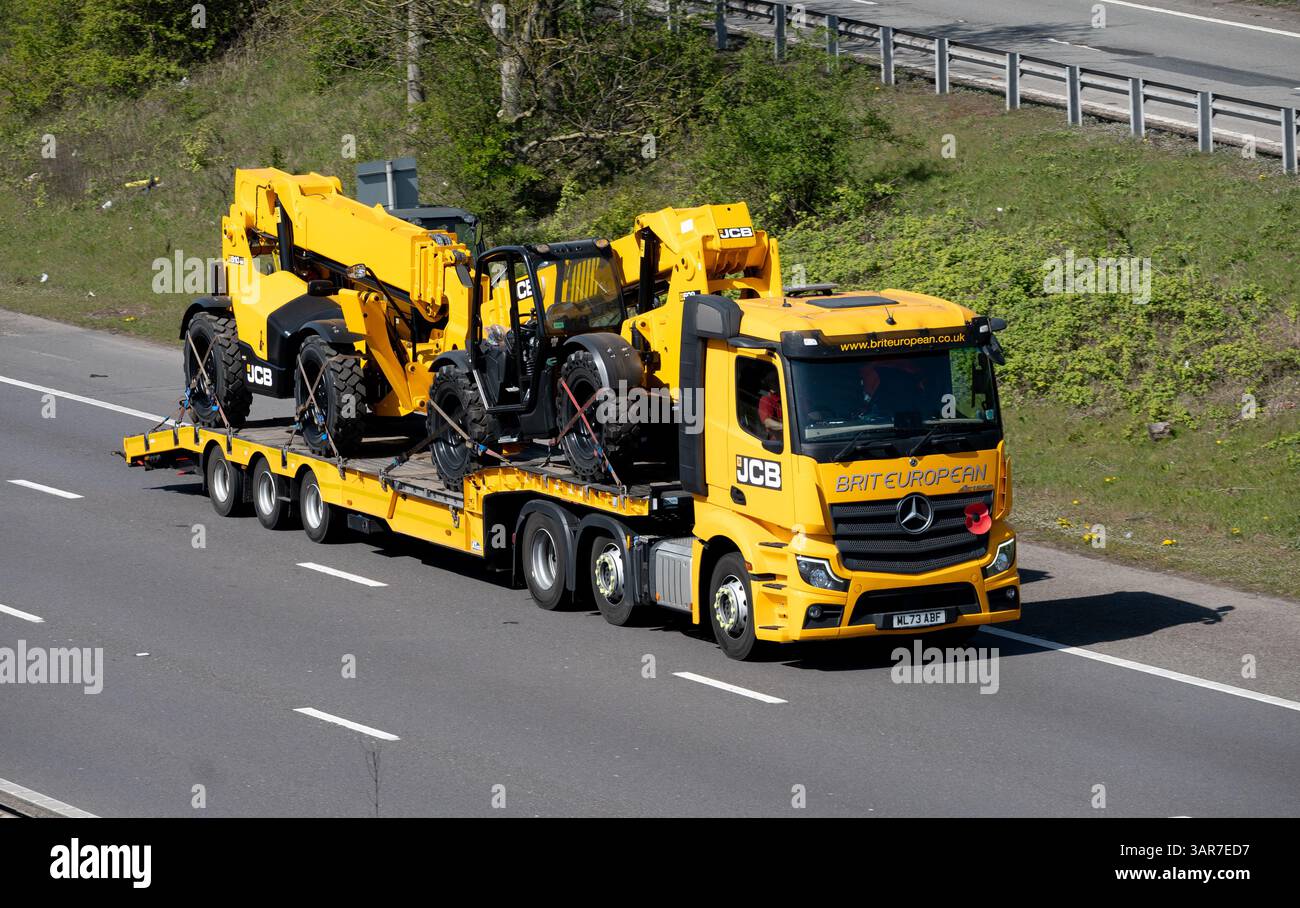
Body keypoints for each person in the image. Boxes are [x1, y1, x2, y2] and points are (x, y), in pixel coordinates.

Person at [758, 374, 783, 440]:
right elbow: (767, 422)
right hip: (776, 441)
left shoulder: (785, 397)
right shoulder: (766, 399)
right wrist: (786, 427)